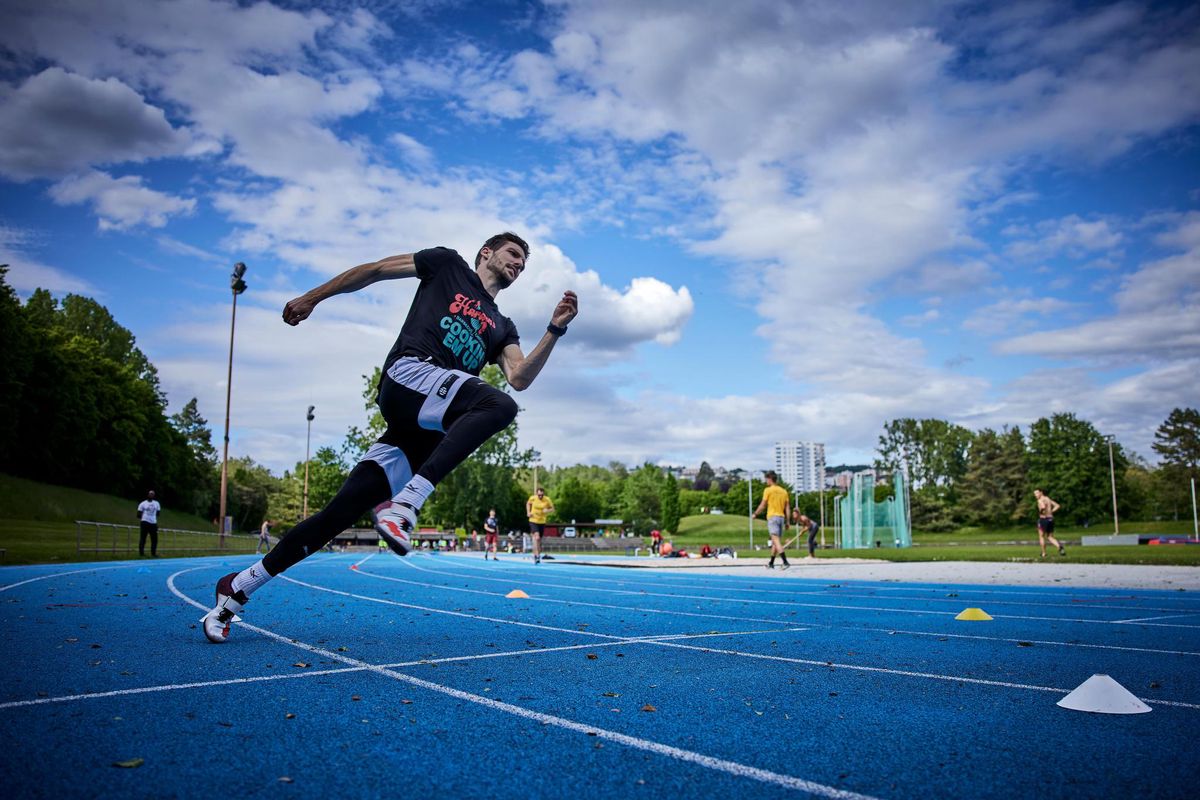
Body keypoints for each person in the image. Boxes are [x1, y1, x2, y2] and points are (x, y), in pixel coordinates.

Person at [202, 232, 578, 643]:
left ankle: (237, 587)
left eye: (524, 262)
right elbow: (376, 270)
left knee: (336, 516)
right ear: (486, 252)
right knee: (498, 405)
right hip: (409, 375)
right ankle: (405, 505)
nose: (519, 263)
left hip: (422, 426)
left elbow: (519, 377)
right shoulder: (447, 265)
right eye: (513, 254)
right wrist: (313, 297)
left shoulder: (502, 326)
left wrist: (554, 330)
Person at [752, 471, 790, 569]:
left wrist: (755, 513)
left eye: (766, 480)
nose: (766, 482)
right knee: (775, 542)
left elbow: (763, 504)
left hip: (773, 517)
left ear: (770, 479)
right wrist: (788, 521)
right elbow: (787, 508)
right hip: (781, 517)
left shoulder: (768, 490)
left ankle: (785, 561)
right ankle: (771, 563)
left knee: (776, 540)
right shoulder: (784, 491)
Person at [526, 487, 555, 564]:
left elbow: (553, 509)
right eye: (539, 495)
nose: (540, 496)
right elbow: (528, 503)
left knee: (538, 540)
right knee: (537, 537)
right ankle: (536, 556)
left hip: (542, 522)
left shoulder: (547, 499)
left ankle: (537, 555)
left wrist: (547, 510)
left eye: (542, 495)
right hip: (533, 520)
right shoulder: (533, 498)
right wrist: (528, 512)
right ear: (536, 494)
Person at [1034, 489, 1066, 557]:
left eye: (1037, 493)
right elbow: (1057, 506)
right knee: (1050, 537)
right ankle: (1060, 547)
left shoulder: (1040, 500)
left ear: (1041, 492)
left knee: (1041, 536)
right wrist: (1051, 511)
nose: (1035, 495)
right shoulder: (1048, 499)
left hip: (1043, 519)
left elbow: (1043, 507)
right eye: (1035, 494)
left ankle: (1043, 553)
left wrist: (1041, 512)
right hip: (1051, 519)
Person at [136, 490, 161, 558]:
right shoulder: (143, 503)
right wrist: (144, 517)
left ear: (154, 496)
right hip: (145, 522)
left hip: (153, 523)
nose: (151, 495)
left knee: (154, 539)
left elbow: (158, 513)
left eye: (152, 494)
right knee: (143, 538)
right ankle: (141, 554)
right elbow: (138, 514)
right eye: (150, 494)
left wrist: (152, 517)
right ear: (148, 495)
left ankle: (153, 553)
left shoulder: (157, 503)